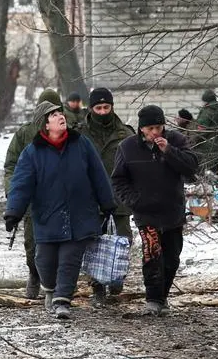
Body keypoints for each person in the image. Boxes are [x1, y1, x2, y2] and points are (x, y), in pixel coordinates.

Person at [5, 100, 117, 319]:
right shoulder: (32, 152)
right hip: (47, 216)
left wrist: (107, 203)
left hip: (80, 214)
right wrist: (13, 212)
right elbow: (21, 184)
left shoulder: (81, 144)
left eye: (60, 113)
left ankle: (62, 300)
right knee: (44, 260)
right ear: (45, 124)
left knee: (69, 259)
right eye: (53, 115)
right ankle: (49, 289)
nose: (60, 116)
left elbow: (98, 174)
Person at [111, 105, 198, 316]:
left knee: (172, 258)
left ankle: (162, 296)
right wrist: (133, 200)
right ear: (141, 128)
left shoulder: (176, 140)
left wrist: (169, 151)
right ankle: (153, 299)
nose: (155, 133)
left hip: (172, 210)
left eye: (158, 127)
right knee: (152, 254)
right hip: (146, 212)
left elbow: (191, 167)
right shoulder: (127, 147)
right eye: (150, 128)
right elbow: (119, 179)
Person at [3, 88, 62, 299]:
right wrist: (13, 193)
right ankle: (34, 274)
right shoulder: (25, 134)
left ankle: (57, 284)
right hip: (32, 200)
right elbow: (11, 166)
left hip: (60, 199)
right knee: (32, 244)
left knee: (61, 244)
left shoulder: (67, 133)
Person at [82, 87, 134, 307]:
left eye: (106, 107)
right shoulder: (80, 134)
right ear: (91, 108)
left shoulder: (125, 134)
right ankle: (97, 287)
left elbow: (135, 166)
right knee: (94, 243)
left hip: (119, 197)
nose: (103, 112)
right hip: (90, 198)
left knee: (123, 239)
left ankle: (117, 276)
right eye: (98, 108)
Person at [195, 89, 218, 174]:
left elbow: (201, 129)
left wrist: (194, 141)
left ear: (206, 100)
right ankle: (216, 181)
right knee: (214, 168)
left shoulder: (208, 110)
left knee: (203, 169)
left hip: (205, 146)